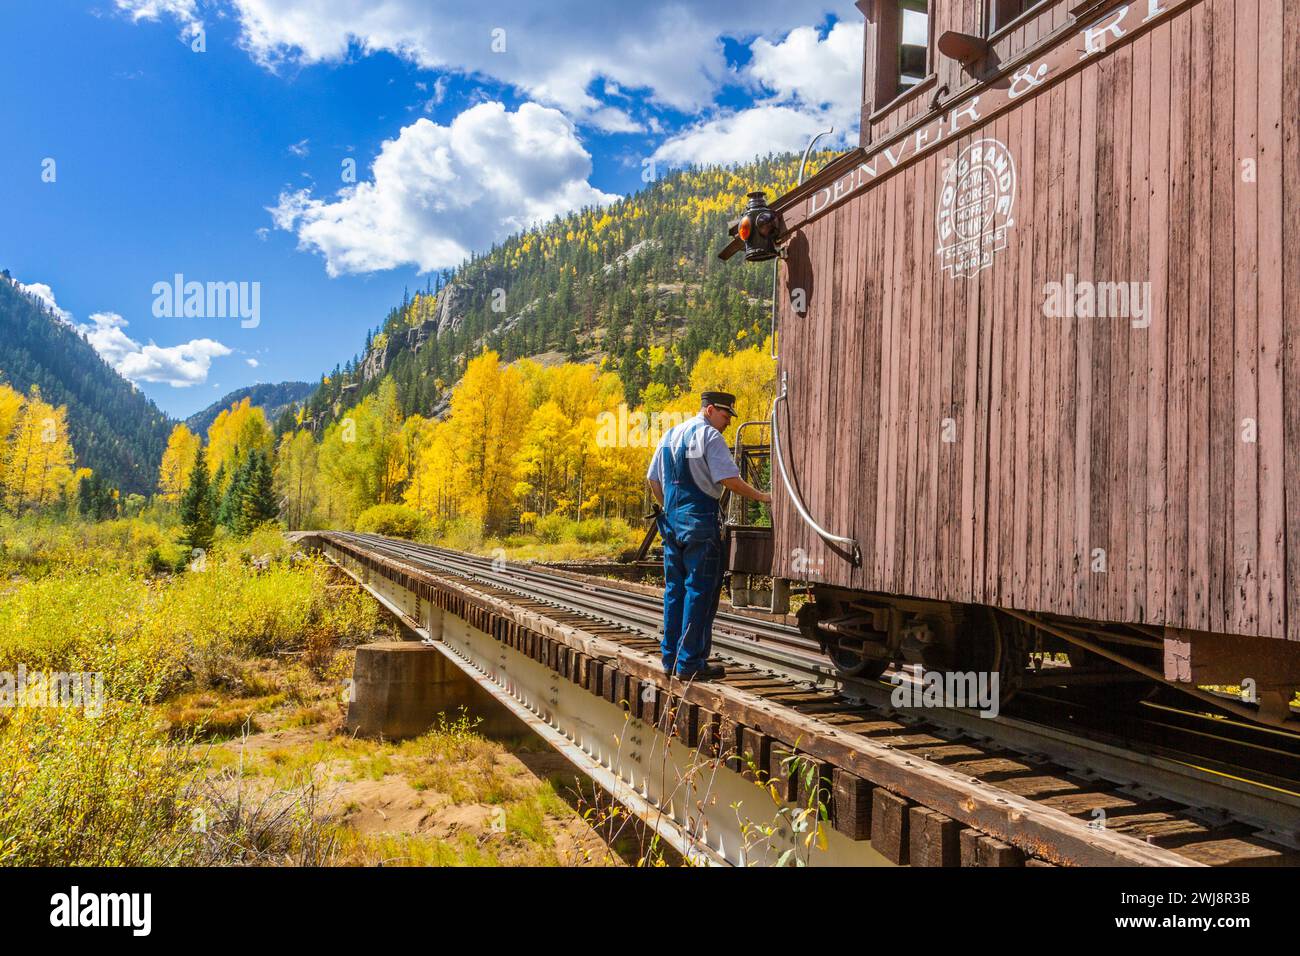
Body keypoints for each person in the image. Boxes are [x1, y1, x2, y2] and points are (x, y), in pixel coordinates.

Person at [646, 391, 771, 681]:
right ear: (710, 410)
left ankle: (670, 660)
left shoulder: (671, 435)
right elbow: (728, 479)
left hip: (672, 524)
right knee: (700, 592)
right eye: (725, 416)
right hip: (700, 523)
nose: (727, 423)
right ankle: (690, 663)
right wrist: (762, 497)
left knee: (675, 591)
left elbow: (652, 478)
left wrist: (668, 507)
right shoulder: (709, 436)